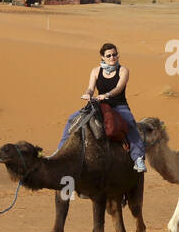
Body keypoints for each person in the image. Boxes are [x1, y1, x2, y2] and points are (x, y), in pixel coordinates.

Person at [56, 42, 146, 172]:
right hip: (99, 105)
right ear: (102, 57)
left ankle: (138, 159)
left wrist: (107, 94)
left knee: (130, 124)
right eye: (108, 55)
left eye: (114, 54)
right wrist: (87, 94)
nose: (112, 58)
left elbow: (119, 88)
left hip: (118, 106)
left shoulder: (123, 70)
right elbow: (91, 88)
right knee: (72, 119)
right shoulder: (95, 71)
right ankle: (60, 151)